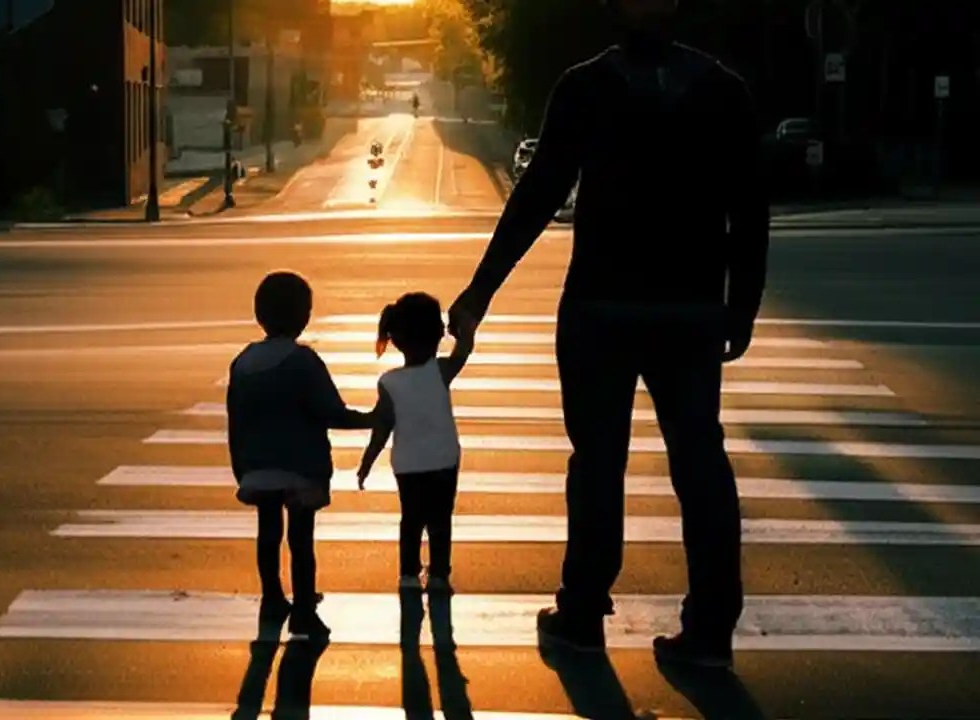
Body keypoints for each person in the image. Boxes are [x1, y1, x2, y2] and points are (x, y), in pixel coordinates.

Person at [448, 0, 768, 668]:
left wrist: (480, 292)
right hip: (690, 310)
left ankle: (583, 612)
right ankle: (711, 631)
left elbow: (539, 193)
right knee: (700, 461)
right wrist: (741, 307)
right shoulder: (723, 91)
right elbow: (749, 208)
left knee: (597, 462)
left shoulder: (586, 86)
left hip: (600, 307)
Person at [227, 271, 374, 641]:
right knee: (301, 540)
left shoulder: (242, 363)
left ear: (260, 314)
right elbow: (331, 413)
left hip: (258, 467)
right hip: (300, 470)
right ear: (303, 316)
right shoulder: (304, 361)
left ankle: (272, 597)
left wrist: (241, 468)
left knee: (268, 533)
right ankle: (304, 609)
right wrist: (373, 419)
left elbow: (235, 421)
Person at [357, 293, 477, 595]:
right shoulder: (441, 371)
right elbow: (464, 350)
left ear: (396, 340)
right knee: (440, 519)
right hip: (444, 458)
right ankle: (439, 575)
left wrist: (367, 462)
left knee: (411, 519)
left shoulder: (389, 382)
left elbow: (381, 428)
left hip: (408, 463)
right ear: (437, 334)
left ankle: (408, 574)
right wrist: (464, 327)